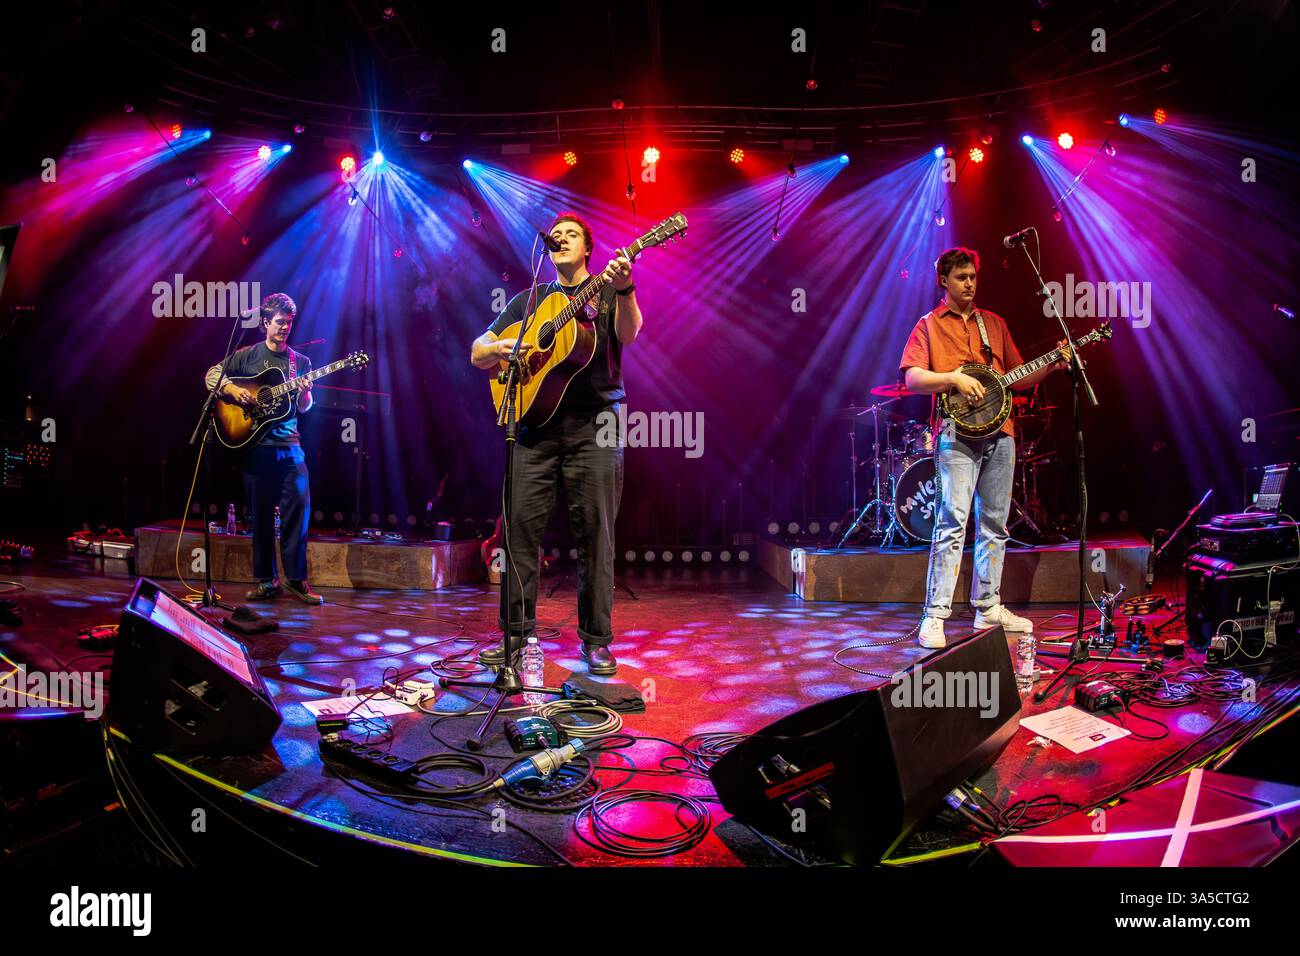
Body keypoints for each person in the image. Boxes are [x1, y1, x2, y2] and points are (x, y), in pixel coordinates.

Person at [470, 212, 643, 675]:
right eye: (556, 235)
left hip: (595, 426)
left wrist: (626, 288)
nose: (561, 239)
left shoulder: (608, 289)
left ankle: (596, 642)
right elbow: (478, 350)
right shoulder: (531, 300)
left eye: (571, 235)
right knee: (518, 535)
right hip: (533, 427)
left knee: (596, 537)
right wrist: (498, 349)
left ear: (587, 249)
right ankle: (515, 635)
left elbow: (629, 333)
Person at [899, 247, 1068, 648]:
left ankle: (988, 606)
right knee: (952, 522)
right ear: (944, 281)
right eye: (961, 277)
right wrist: (953, 378)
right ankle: (935, 614)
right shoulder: (928, 325)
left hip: (1001, 431)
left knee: (995, 523)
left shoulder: (994, 323)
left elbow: (1017, 376)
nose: (969, 284)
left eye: (973, 276)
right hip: (955, 433)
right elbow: (913, 378)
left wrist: (1051, 364)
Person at [204, 292, 323, 605]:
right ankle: (266, 581)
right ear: (266, 323)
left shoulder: (301, 362)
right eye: (280, 322)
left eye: (289, 323)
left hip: (290, 445)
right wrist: (233, 389)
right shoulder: (248, 355)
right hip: (256, 446)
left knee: (298, 511)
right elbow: (212, 375)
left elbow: (304, 407)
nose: (285, 328)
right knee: (260, 516)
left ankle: (296, 579)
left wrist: (305, 394)